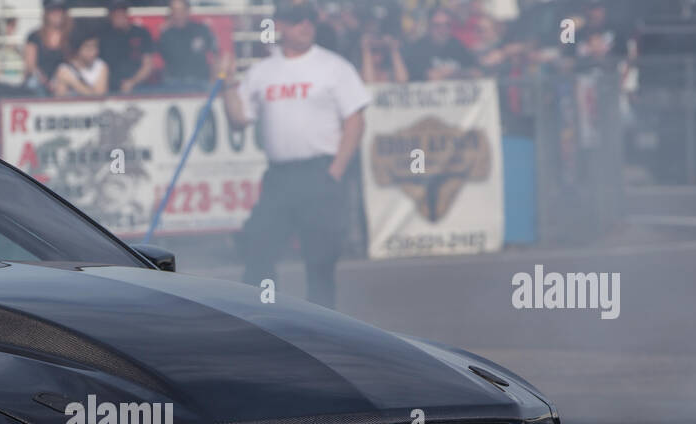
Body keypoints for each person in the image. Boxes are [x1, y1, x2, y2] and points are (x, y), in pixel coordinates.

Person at [222, 0, 369, 308]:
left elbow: (354, 120)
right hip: (280, 177)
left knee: (320, 259)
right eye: (297, 20)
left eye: (309, 19)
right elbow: (239, 120)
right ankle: (263, 317)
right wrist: (225, 84)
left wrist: (337, 170)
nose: (305, 25)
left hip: (320, 171)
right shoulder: (263, 71)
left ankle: (323, 325)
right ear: (280, 27)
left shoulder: (333, 66)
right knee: (259, 247)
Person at [403, 7, 478, 81]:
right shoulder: (418, 49)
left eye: (447, 25)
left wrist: (451, 73)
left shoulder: (456, 45)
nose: (442, 30)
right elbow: (430, 77)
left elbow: (475, 72)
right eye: (437, 25)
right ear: (428, 27)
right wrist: (455, 74)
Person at [156, 0, 217, 90]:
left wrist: (213, 79)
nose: (178, 14)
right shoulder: (165, 34)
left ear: (188, 11)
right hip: (173, 82)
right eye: (174, 10)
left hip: (200, 81)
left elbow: (215, 55)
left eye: (181, 10)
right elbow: (159, 62)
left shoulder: (201, 30)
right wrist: (161, 32)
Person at [98, 0, 155, 93]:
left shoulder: (141, 33)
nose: (119, 16)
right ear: (110, 16)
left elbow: (148, 65)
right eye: (116, 13)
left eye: (122, 12)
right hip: (110, 88)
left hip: (140, 87)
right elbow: (99, 66)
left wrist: (132, 82)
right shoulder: (103, 36)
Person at [25, 1, 72, 93]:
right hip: (40, 80)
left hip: (62, 81)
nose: (58, 14)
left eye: (61, 10)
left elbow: (74, 63)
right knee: (33, 83)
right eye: (53, 10)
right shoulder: (34, 37)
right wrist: (46, 82)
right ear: (46, 13)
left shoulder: (71, 36)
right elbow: (31, 67)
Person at [52, 30, 108, 96]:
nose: (94, 52)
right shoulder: (64, 69)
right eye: (88, 47)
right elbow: (60, 99)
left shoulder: (101, 66)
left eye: (95, 46)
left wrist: (73, 82)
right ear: (77, 49)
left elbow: (99, 97)